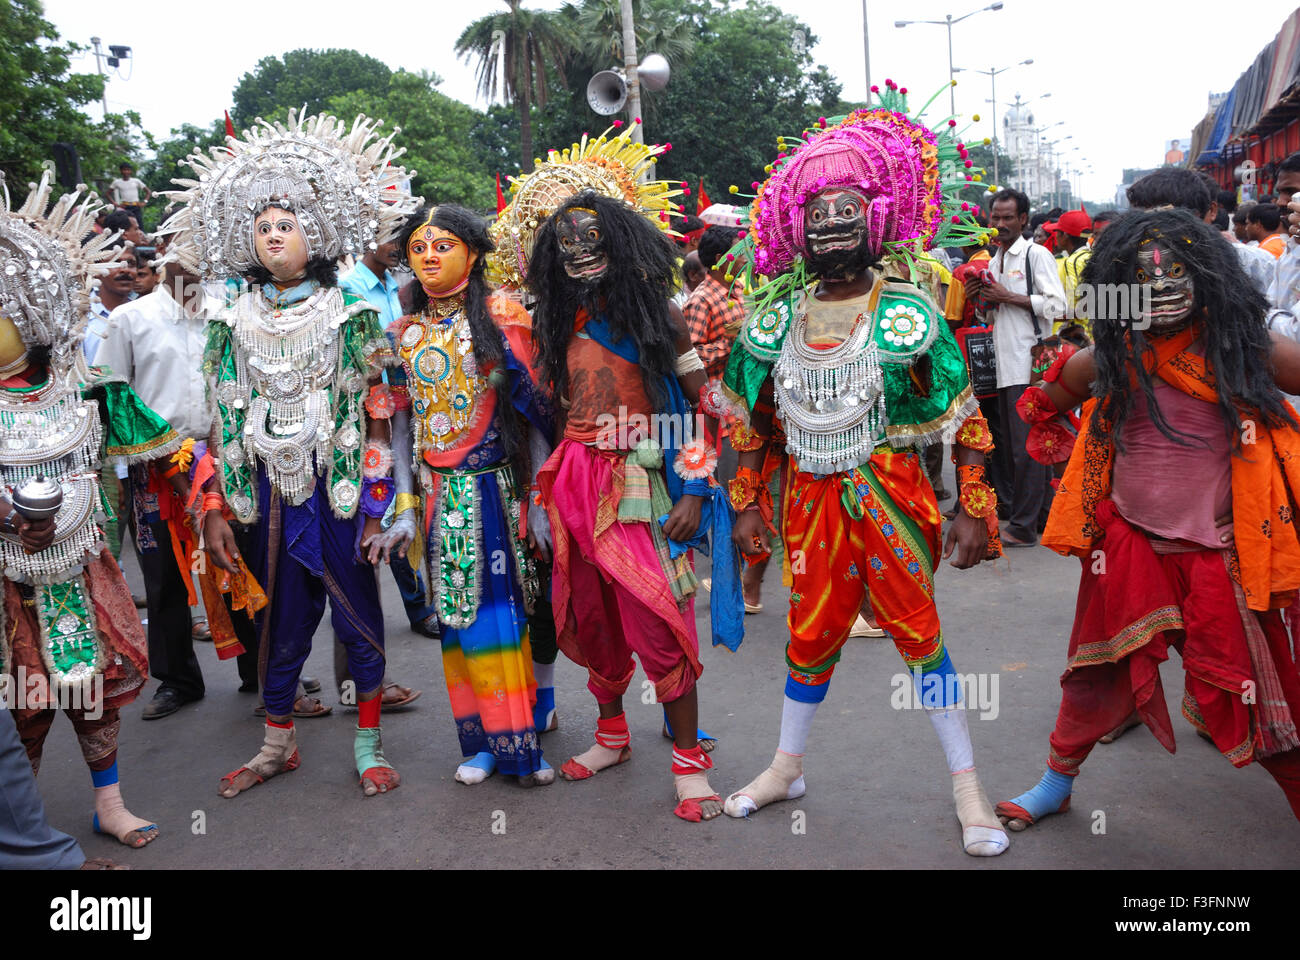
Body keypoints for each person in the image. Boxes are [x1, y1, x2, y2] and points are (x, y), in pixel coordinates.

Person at [717, 89, 1008, 856]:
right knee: (808, 635)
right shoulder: (772, 320)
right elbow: (754, 423)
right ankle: (786, 767)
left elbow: (966, 419)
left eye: (848, 214)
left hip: (891, 491)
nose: (832, 228)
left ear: (877, 224)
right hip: (807, 499)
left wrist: (973, 508)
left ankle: (967, 786)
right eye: (818, 218)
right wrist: (747, 503)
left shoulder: (910, 311)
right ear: (795, 231)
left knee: (918, 634)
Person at [998, 208, 1300, 830]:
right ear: (1120, 287)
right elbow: (1042, 407)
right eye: (1142, 276)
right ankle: (1056, 782)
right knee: (1093, 670)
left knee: (1259, 695)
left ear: (1210, 277)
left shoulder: (1246, 348)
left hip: (1221, 557)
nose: (1160, 285)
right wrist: (1068, 433)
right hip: (1129, 547)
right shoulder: (1111, 356)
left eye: (1177, 271)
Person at [165, 109, 421, 799]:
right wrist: (212, 503)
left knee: (359, 612)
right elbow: (218, 419)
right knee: (276, 619)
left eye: (287, 225)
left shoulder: (355, 316)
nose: (274, 235)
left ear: (317, 234)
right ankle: (277, 744)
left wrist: (381, 505)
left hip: (336, 488)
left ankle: (367, 744)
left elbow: (380, 414)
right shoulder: (229, 321)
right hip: (265, 493)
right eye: (263, 226)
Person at [527, 189, 741, 821]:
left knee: (659, 619)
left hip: (641, 483)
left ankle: (689, 764)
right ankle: (613, 736)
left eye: (592, 239)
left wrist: (698, 493)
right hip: (573, 479)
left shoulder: (663, 318)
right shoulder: (551, 321)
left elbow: (709, 409)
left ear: (621, 244)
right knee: (594, 618)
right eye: (565, 242)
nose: (580, 252)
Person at [0, 172, 188, 849]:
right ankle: (22, 831)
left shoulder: (86, 388)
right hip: (6, 580)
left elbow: (163, 446)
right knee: (20, 705)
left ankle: (108, 803)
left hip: (79, 566)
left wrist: (206, 488)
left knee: (93, 690)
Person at [389, 204, 554, 786]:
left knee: (501, 620)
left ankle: (519, 742)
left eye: (443, 245)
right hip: (438, 498)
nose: (429, 256)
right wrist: (405, 507)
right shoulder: (404, 332)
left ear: (474, 253)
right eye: (418, 248)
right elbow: (401, 425)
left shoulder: (502, 315)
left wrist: (538, 496)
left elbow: (534, 413)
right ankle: (481, 742)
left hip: (495, 491)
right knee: (458, 624)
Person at [96, 252, 228, 719]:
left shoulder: (229, 310)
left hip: (224, 455)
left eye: (201, 245)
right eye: (181, 245)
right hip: (153, 464)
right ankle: (177, 680)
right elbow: (113, 396)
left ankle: (261, 665)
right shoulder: (132, 319)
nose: (192, 258)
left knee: (238, 560)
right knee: (165, 575)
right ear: (165, 254)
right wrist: (164, 458)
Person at [339, 240, 439, 644]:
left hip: (407, 412)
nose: (398, 247)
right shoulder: (348, 288)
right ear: (368, 237)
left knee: (406, 498)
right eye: (391, 237)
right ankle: (389, 611)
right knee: (378, 502)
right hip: (368, 417)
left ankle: (420, 602)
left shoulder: (399, 285)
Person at [964, 188, 1066, 548]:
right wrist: (979, 298)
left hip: (1032, 364)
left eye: (1008, 217)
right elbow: (991, 314)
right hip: (1006, 365)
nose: (1001, 224)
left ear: (1023, 219)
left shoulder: (1036, 255)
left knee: (1028, 449)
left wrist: (1007, 296)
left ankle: (1023, 526)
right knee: (1015, 448)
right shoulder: (995, 261)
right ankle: (1035, 517)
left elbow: (1058, 306)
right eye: (996, 218)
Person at [1126, 168, 1273, 298]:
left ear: (1211, 211)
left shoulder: (1255, 264)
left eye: (1170, 220)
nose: (1156, 232)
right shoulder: (1126, 266)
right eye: (1143, 221)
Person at [1046, 208, 1092, 327]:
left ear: (1065, 235)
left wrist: (1054, 317)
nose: (1055, 236)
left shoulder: (1073, 261)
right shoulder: (1091, 255)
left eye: (1057, 232)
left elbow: (1081, 304)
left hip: (1083, 332)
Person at [109, 163, 150, 229]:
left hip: (136, 206)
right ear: (120, 171)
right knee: (126, 225)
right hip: (125, 207)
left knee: (139, 225)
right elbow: (107, 194)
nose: (126, 172)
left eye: (128, 170)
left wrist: (144, 202)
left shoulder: (136, 181)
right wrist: (116, 204)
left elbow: (148, 192)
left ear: (130, 171)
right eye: (124, 170)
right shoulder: (117, 182)